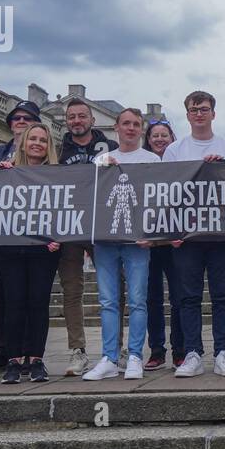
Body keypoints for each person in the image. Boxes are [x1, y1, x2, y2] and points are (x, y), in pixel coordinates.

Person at [164, 90, 225, 377]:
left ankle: (224, 352)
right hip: (187, 236)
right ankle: (192, 353)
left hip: (221, 234)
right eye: (194, 109)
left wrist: (219, 170)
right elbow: (167, 193)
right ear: (187, 114)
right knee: (188, 296)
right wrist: (171, 230)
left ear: (213, 113)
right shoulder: (175, 150)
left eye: (204, 109)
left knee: (222, 295)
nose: (199, 113)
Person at [84, 108, 159, 380]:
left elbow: (158, 200)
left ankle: (136, 355)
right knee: (107, 300)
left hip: (138, 239)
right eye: (126, 123)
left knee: (138, 300)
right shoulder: (101, 160)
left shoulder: (152, 159)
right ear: (116, 127)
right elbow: (89, 198)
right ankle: (109, 357)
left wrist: (153, 234)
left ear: (141, 129)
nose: (130, 128)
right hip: (106, 238)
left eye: (136, 124)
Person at [0, 123, 63, 384]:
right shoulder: (6, 171)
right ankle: (13, 360)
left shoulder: (56, 175)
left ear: (48, 147)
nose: (37, 143)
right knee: (14, 302)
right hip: (10, 247)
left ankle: (35, 359)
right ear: (23, 143)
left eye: (43, 140)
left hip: (45, 249)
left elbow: (65, 210)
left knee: (37, 303)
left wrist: (59, 237)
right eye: (32, 139)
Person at [0, 100, 42, 376]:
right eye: (16, 117)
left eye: (28, 118)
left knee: (30, 299)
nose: (21, 121)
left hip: (35, 241)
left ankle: (29, 353)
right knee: (1, 298)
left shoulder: (47, 158)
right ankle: (2, 352)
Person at [58, 99, 119, 376]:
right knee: (72, 290)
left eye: (82, 116)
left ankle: (114, 349)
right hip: (69, 227)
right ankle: (78, 350)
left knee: (113, 290)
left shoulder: (110, 147)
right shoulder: (58, 149)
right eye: (72, 117)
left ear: (92, 120)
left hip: (101, 226)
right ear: (67, 121)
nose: (77, 120)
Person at [143, 119, 184, 369]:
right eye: (155, 135)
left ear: (172, 138)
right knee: (152, 298)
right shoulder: (141, 165)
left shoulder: (180, 165)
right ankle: (157, 350)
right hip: (148, 241)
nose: (159, 139)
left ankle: (180, 348)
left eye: (164, 135)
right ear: (148, 140)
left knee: (179, 297)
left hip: (175, 241)